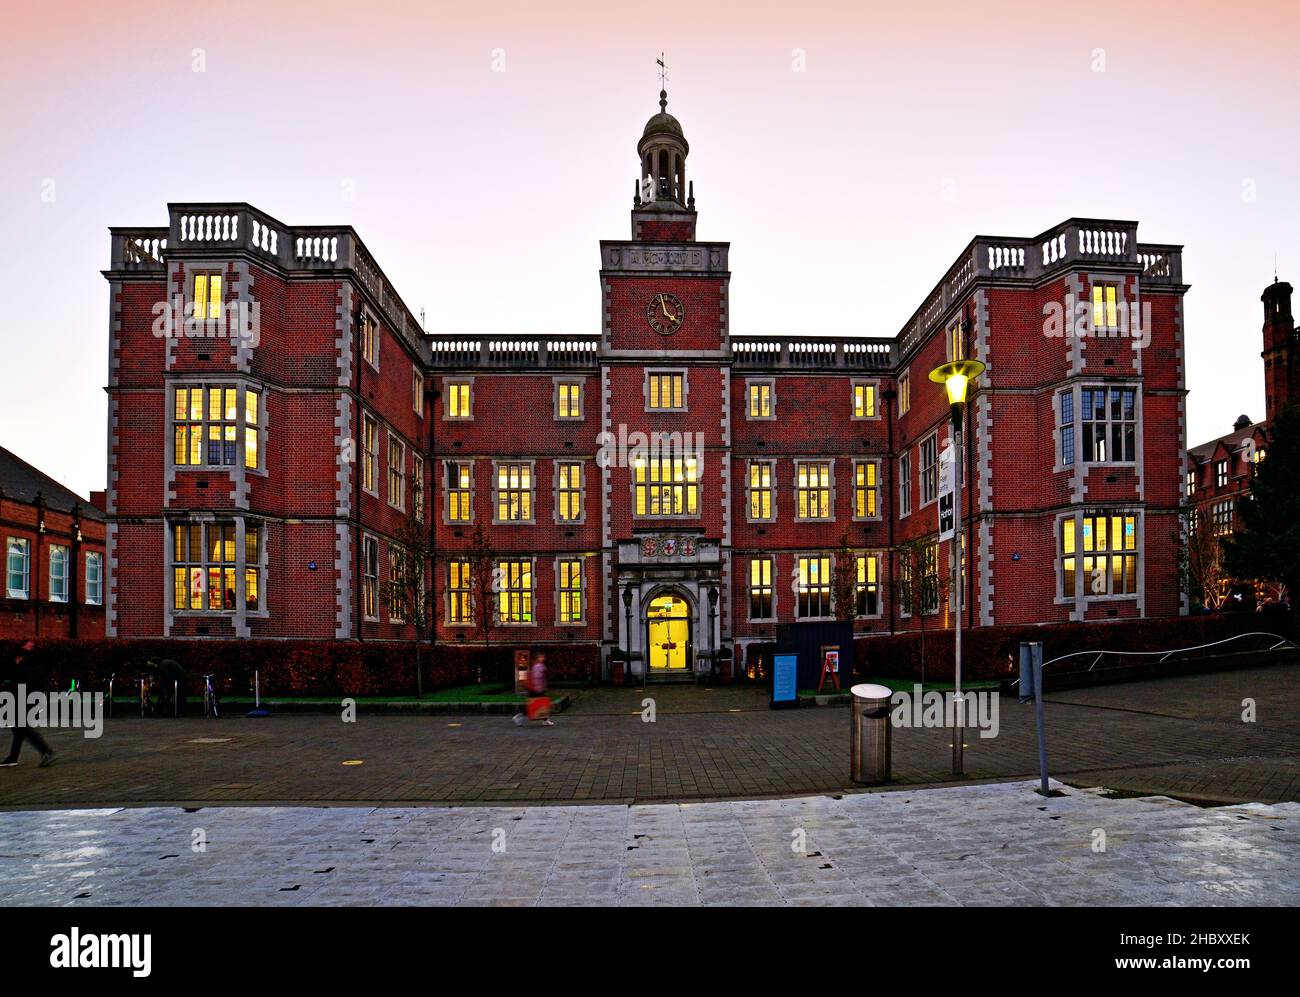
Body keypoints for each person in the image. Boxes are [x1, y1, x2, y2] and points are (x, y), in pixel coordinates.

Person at [1, 640, 55, 768]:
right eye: (27, 645)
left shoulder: (33, 661)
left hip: (28, 696)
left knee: (21, 726)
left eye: (31, 645)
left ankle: (46, 751)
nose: (29, 647)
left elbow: (32, 676)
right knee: (19, 728)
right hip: (18, 695)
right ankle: (13, 757)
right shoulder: (15, 659)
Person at [513, 652, 554, 727]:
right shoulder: (538, 666)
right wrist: (539, 688)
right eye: (541, 657)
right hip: (536, 689)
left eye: (543, 657)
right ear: (538, 658)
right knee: (541, 703)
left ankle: (545, 719)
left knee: (539, 703)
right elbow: (537, 678)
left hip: (535, 688)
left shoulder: (536, 665)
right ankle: (518, 717)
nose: (543, 658)